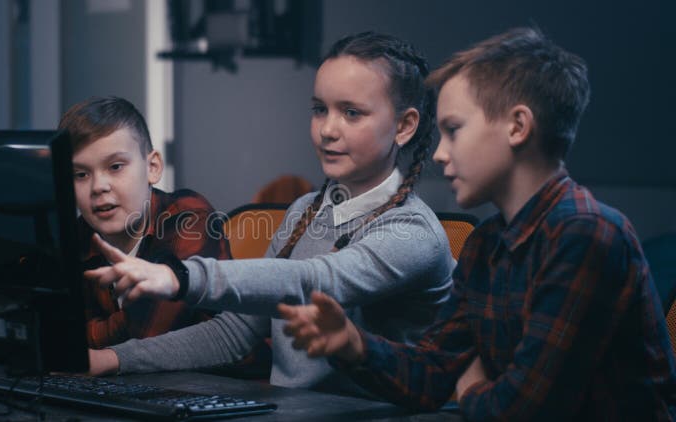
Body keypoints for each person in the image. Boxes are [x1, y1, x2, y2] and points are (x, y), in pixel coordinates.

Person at [278, 27, 676, 419]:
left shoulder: (587, 234)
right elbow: (432, 376)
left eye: (453, 130)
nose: (439, 154)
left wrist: (469, 387)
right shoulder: (487, 242)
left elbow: (522, 411)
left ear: (517, 127)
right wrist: (354, 345)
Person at [86, 32, 455, 394]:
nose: (327, 129)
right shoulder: (303, 212)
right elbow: (234, 333)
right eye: (319, 109)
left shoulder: (413, 233)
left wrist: (179, 277)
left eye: (351, 113)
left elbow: (317, 280)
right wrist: (112, 359)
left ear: (404, 126)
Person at [58, 96, 230, 349]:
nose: (98, 187)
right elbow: (51, 328)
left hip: (219, 372)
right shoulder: (76, 237)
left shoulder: (189, 217)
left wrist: (76, 338)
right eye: (81, 174)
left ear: (152, 167)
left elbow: (147, 333)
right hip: (121, 373)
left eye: (115, 167)